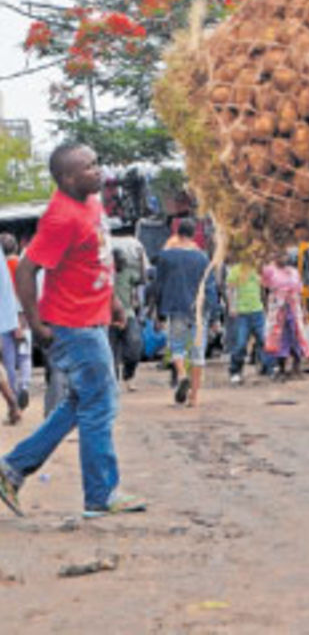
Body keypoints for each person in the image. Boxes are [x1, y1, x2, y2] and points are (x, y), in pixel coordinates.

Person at [0, 143, 145, 518]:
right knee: (100, 403)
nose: (98, 171)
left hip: (92, 315)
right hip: (72, 325)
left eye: (97, 163)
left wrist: (113, 301)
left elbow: (97, 257)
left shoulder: (92, 203)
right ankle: (100, 494)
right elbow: (29, 269)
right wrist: (34, 322)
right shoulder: (60, 217)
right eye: (88, 167)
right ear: (66, 179)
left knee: (81, 402)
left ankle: (11, 470)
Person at [151, 218, 209, 406]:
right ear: (193, 235)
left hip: (176, 308)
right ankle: (194, 398)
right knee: (198, 353)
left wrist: (159, 312)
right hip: (199, 310)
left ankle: (182, 375)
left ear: (177, 233)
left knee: (177, 347)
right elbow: (209, 286)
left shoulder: (166, 256)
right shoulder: (202, 257)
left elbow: (158, 285)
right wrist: (214, 313)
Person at [262, 253, 309, 380]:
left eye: (284, 256)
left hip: (293, 308)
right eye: (279, 255)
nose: (283, 258)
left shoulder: (293, 272)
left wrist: (304, 310)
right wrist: (267, 307)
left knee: (297, 336)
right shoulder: (269, 270)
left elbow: (299, 292)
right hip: (278, 309)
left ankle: (297, 367)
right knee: (280, 337)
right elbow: (264, 289)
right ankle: (281, 368)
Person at [225, 261, 272, 382]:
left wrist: (265, 307)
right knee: (240, 343)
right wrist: (232, 306)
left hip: (257, 310)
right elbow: (230, 290)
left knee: (264, 339)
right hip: (242, 312)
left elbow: (263, 289)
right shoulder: (235, 270)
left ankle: (267, 367)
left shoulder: (257, 269)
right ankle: (235, 370)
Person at [0, 234, 31, 409]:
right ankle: (24, 385)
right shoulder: (23, 265)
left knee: (9, 361)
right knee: (24, 355)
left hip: (4, 319)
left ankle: (14, 397)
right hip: (22, 316)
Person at [108, 247, 144, 392]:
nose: (123, 263)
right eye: (120, 261)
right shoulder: (106, 275)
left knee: (134, 347)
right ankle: (113, 381)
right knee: (111, 352)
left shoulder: (128, 273)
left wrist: (141, 261)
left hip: (128, 314)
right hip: (108, 318)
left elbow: (141, 280)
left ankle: (128, 375)